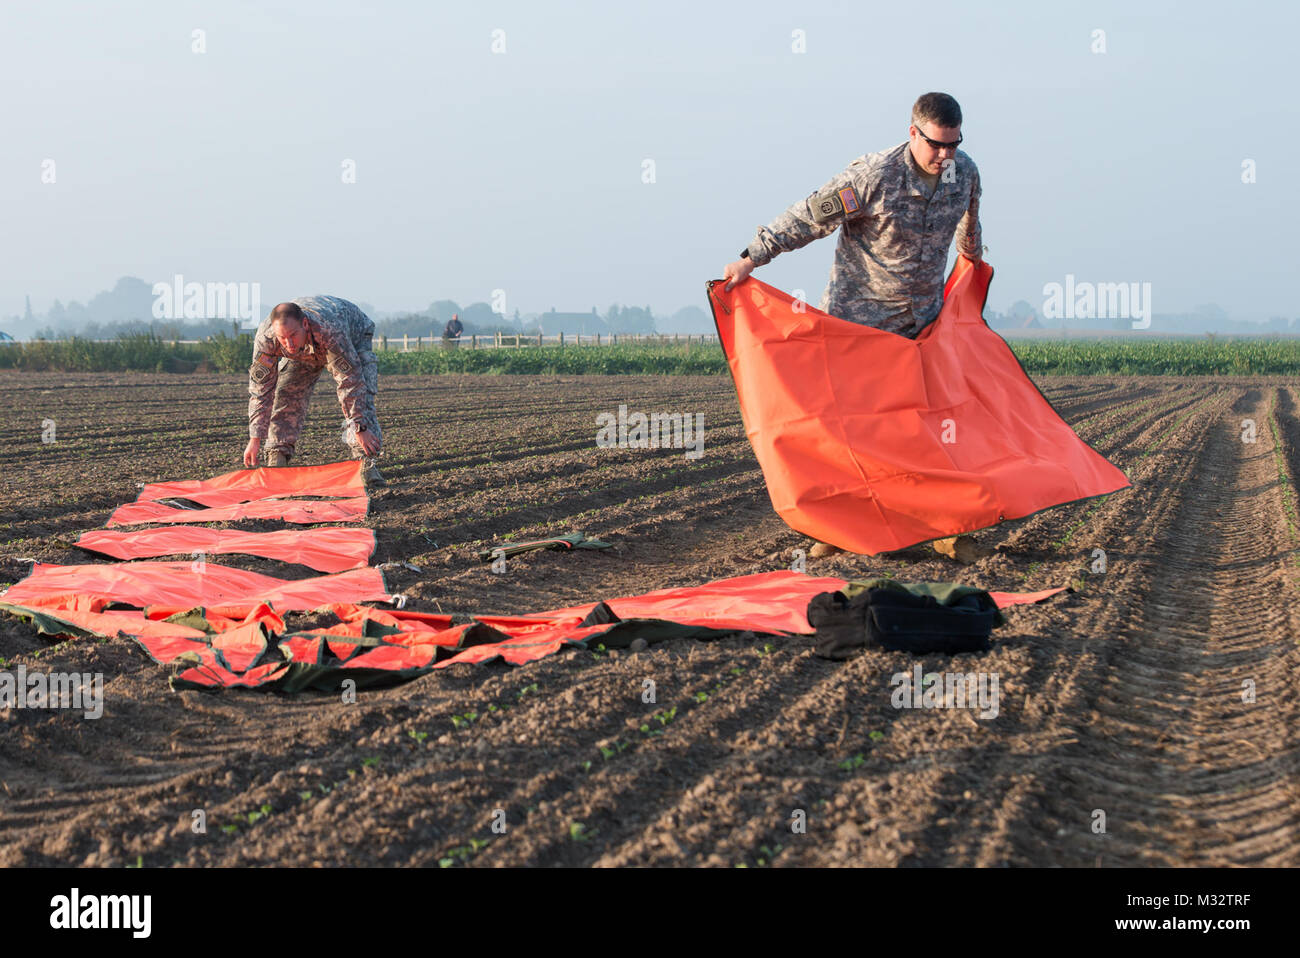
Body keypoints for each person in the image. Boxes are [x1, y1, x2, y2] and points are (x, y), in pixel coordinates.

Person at [722, 91, 990, 564]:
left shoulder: (963, 171)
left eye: (954, 143)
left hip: (921, 328)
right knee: (854, 440)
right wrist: (751, 258)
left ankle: (945, 529)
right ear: (913, 133)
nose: (945, 155)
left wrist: (972, 258)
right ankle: (842, 530)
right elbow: (808, 217)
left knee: (925, 433)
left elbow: (970, 218)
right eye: (936, 145)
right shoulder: (874, 176)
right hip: (859, 328)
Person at [242, 297, 387, 486]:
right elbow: (261, 390)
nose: (289, 344)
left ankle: (365, 462)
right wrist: (255, 438)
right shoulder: (266, 339)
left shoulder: (330, 331)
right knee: (287, 392)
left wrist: (359, 426)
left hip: (352, 335)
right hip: (307, 348)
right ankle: (277, 454)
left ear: (304, 324)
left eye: (292, 335)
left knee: (362, 394)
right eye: (282, 339)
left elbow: (350, 382)